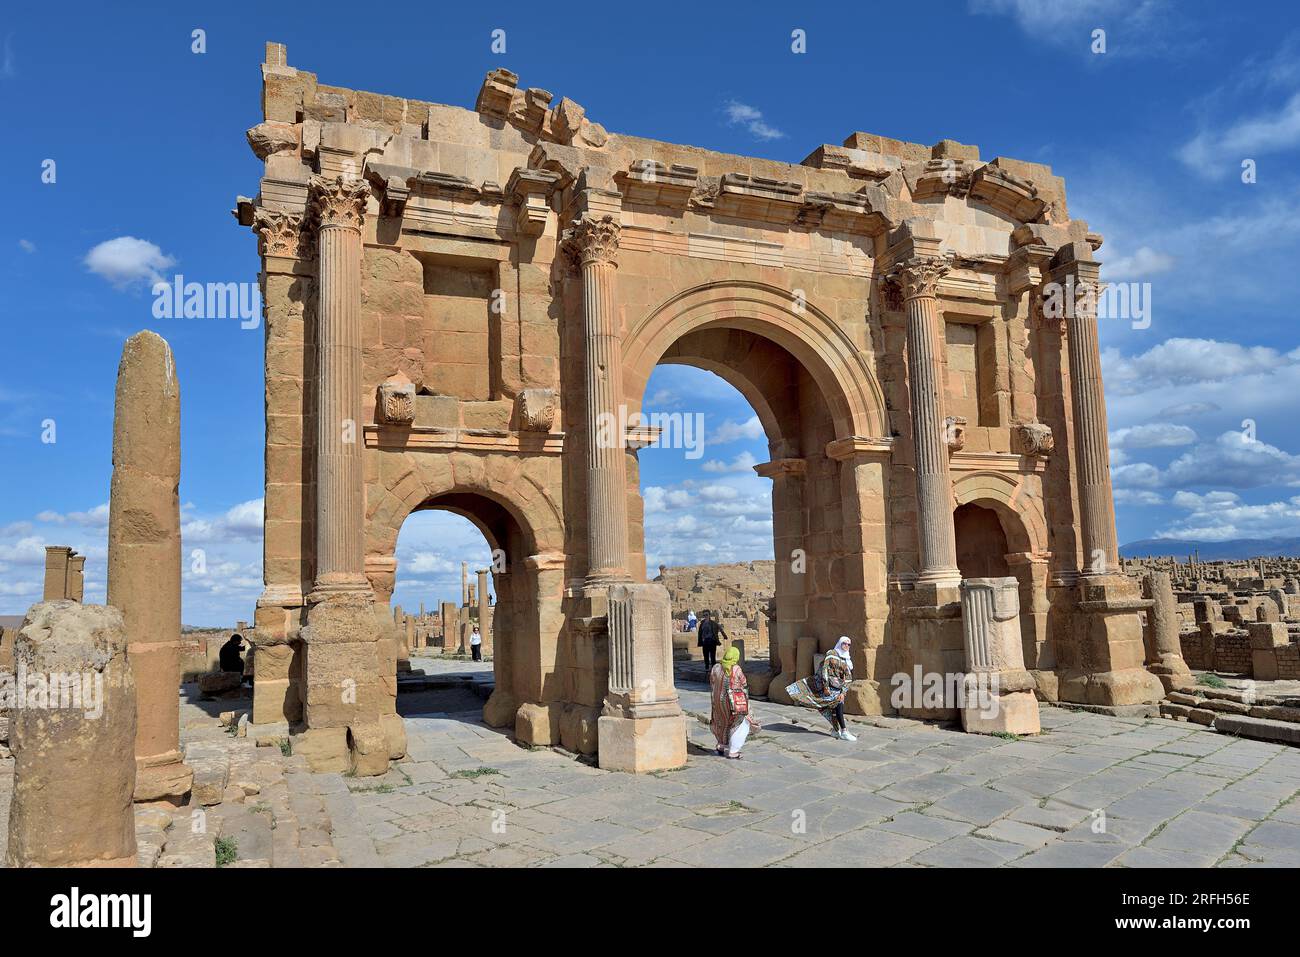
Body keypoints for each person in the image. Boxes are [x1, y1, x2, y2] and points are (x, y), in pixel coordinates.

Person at [786, 636, 857, 741]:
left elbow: (848, 678)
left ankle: (836, 730)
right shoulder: (831, 653)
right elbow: (825, 670)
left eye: (848, 644)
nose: (846, 646)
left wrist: (843, 692)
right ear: (840, 643)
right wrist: (826, 686)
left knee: (835, 707)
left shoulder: (847, 659)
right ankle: (844, 731)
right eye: (844, 643)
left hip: (839, 689)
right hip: (827, 688)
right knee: (837, 706)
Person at [709, 645, 759, 758]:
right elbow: (744, 684)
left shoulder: (716, 668)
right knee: (740, 723)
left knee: (722, 722)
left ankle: (721, 745)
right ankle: (733, 751)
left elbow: (712, 683)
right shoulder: (736, 669)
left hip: (718, 702)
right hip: (734, 703)